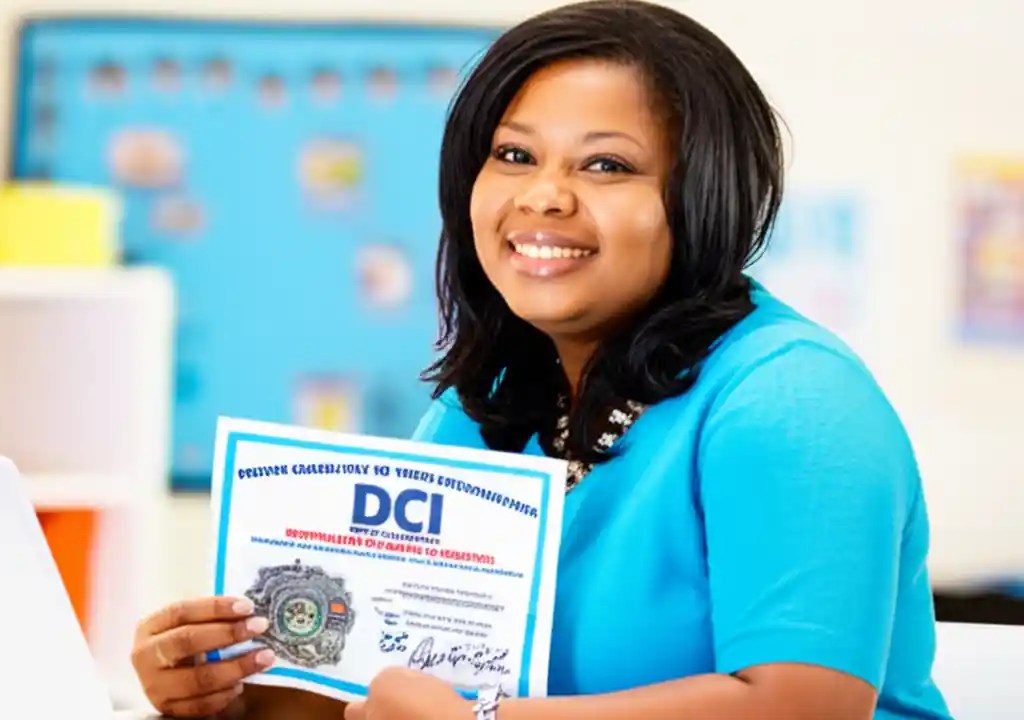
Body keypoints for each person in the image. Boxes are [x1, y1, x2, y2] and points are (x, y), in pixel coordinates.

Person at [130, 1, 953, 718]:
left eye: (607, 165)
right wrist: (226, 695)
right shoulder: (485, 398)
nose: (544, 196)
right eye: (515, 155)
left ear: (705, 194)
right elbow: (376, 689)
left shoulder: (792, 401)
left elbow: (803, 706)